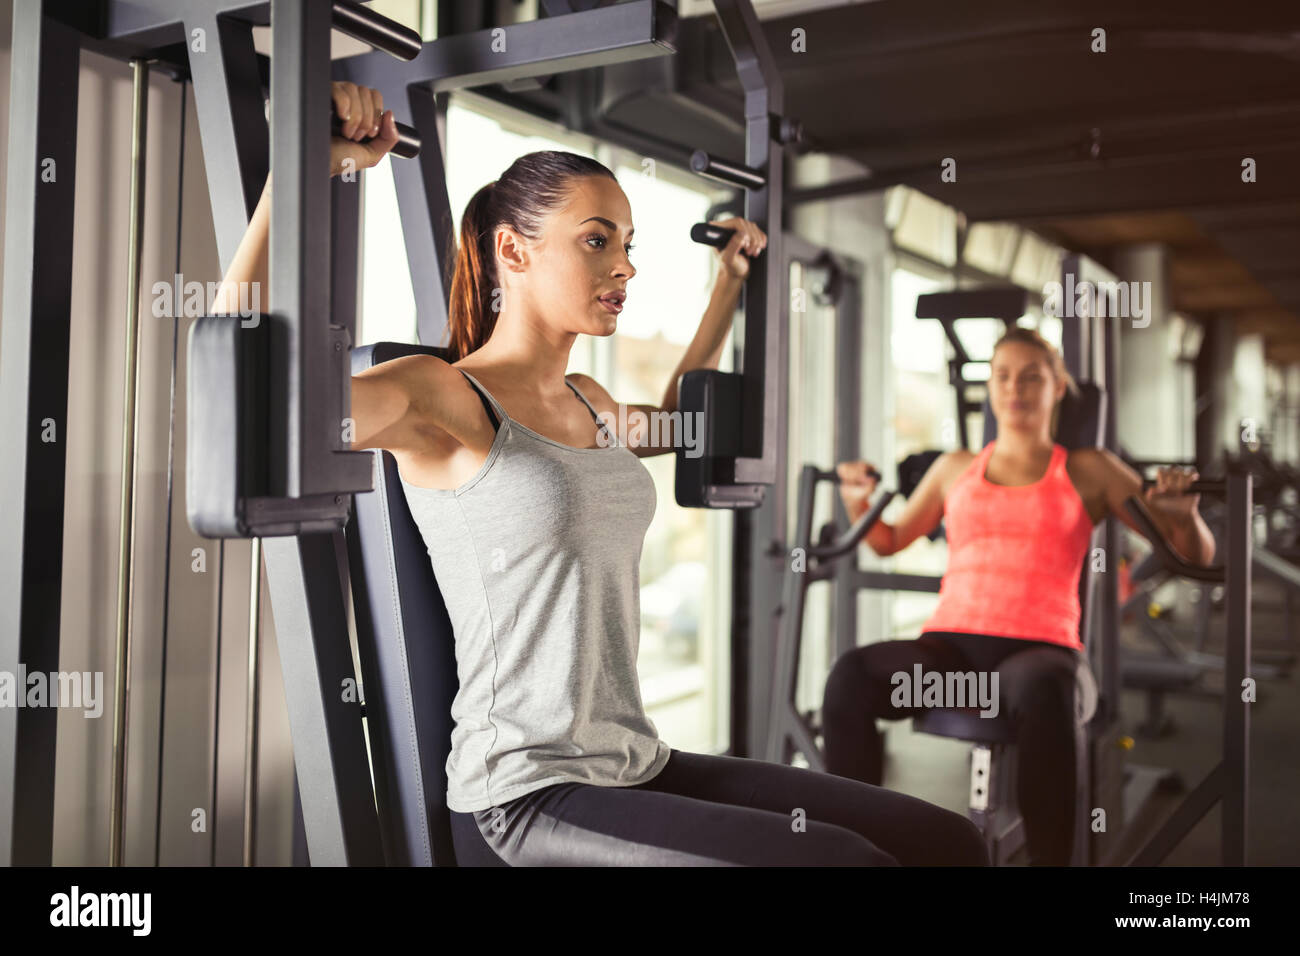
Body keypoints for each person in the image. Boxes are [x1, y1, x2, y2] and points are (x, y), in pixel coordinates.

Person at [216, 80, 988, 866]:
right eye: (597, 241)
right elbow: (254, 405)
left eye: (627, 245)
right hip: (524, 794)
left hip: (634, 762)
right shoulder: (440, 397)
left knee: (945, 841)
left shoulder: (588, 400)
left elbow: (680, 421)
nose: (624, 266)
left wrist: (727, 285)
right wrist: (302, 166)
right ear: (512, 251)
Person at [822, 326, 1216, 865]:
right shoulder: (954, 468)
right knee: (852, 675)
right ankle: (852, 855)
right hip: (954, 673)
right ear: (990, 388)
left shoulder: (1089, 469)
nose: (1016, 388)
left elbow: (1192, 557)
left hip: (1037, 660)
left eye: (1032, 376)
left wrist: (1184, 518)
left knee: (1045, 689)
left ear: (1058, 388)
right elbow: (888, 540)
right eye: (1003, 376)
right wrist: (856, 501)